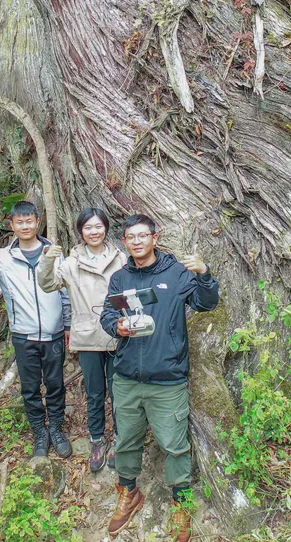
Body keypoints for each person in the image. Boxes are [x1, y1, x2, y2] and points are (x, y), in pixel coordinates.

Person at [99, 214, 219, 542]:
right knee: (126, 440)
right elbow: (109, 313)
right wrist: (116, 326)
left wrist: (204, 274)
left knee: (174, 445)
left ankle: (182, 504)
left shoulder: (176, 273)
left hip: (167, 378)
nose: (136, 241)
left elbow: (207, 303)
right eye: (130, 237)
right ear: (124, 242)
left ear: (155, 237)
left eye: (142, 236)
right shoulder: (121, 278)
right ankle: (128, 492)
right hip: (126, 377)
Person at [0, 200, 73, 459]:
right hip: (23, 335)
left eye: (30, 221)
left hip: (54, 333)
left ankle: (57, 429)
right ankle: (40, 432)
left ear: (38, 222)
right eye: (20, 222)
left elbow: (66, 292)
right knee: (29, 388)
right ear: (12, 226)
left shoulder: (54, 252)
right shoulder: (4, 258)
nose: (25, 226)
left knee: (55, 384)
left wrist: (68, 324)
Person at [38, 207, 126, 472]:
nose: (94, 231)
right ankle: (97, 439)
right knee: (95, 392)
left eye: (98, 226)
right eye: (88, 227)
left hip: (118, 334)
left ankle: (122, 441)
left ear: (106, 229)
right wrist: (47, 261)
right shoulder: (71, 262)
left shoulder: (120, 258)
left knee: (120, 392)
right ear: (80, 231)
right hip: (88, 335)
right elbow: (47, 284)